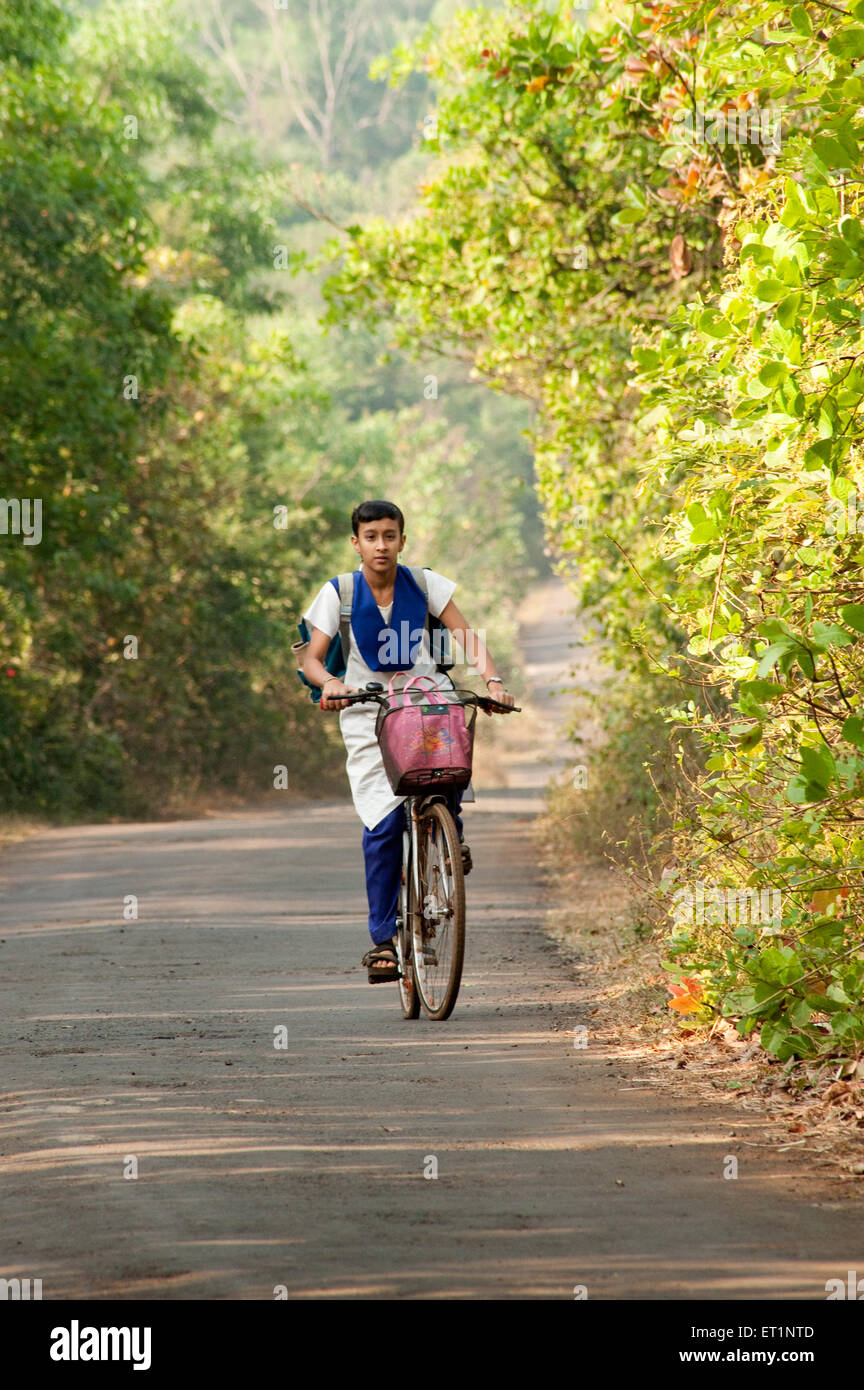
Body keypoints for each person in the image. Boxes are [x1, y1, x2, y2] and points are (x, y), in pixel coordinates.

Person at [301, 499, 516, 982]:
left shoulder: (423, 584)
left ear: (403, 539)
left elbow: (466, 636)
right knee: (381, 825)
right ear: (355, 542)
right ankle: (383, 942)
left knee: (450, 765)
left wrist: (494, 681)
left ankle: (449, 833)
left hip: (425, 700)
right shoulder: (340, 592)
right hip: (367, 709)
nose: (382, 545)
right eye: (371, 536)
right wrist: (330, 685)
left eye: (390, 535)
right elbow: (311, 660)